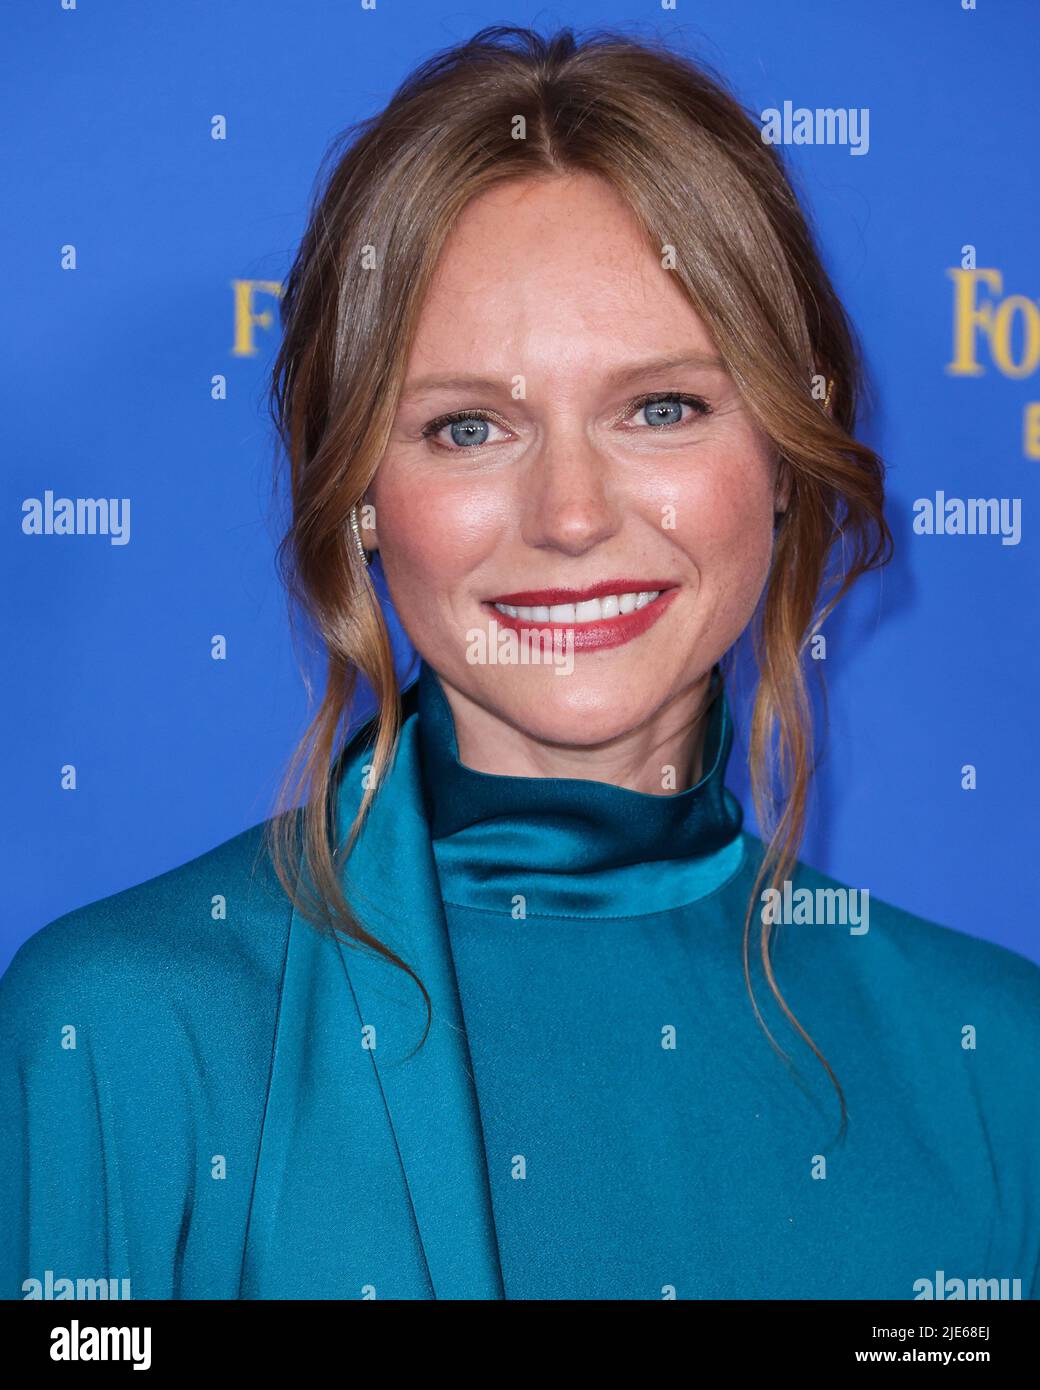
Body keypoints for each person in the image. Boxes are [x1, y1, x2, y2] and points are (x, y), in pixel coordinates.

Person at [3, 25, 1038, 1302]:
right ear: (360, 495)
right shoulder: (118, 1034)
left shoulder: (995, 1065)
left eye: (660, 406)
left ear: (778, 456)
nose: (568, 514)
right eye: (468, 425)